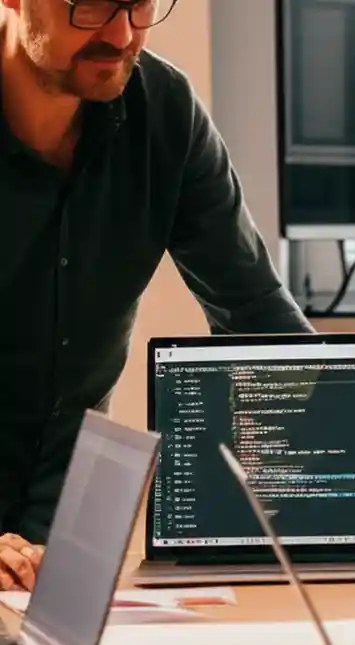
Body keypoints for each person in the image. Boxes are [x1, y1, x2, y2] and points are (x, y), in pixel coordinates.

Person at [0, 0, 312, 587]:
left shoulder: (163, 110)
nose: (120, 35)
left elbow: (258, 320)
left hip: (67, 539)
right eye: (89, 7)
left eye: (139, 5)